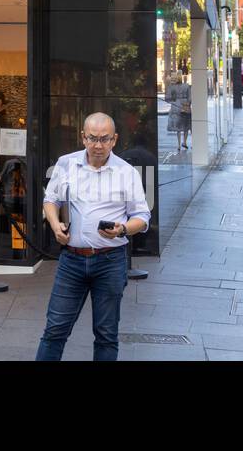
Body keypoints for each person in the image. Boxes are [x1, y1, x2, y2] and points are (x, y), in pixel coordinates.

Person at [36, 112, 149, 361]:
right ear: (83, 137)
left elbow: (142, 217)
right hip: (71, 262)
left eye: (104, 139)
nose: (98, 145)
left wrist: (121, 229)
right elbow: (50, 200)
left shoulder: (127, 172)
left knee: (106, 334)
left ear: (115, 140)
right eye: (92, 138)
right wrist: (55, 226)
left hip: (110, 262)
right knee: (54, 330)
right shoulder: (66, 164)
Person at [165, 71, 191, 150]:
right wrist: (187, 104)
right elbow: (190, 98)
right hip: (185, 107)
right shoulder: (187, 86)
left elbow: (168, 99)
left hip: (175, 107)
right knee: (186, 126)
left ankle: (179, 145)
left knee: (178, 128)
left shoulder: (172, 87)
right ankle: (185, 142)